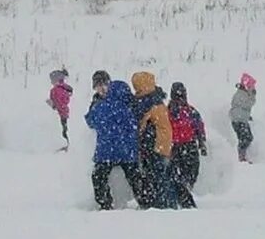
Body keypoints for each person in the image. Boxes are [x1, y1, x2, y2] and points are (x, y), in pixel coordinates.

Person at [84, 79, 147, 210]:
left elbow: (90, 121)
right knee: (135, 177)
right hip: (127, 152)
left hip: (106, 152)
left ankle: (105, 202)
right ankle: (144, 200)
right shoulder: (131, 109)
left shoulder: (101, 107)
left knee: (98, 177)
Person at [131, 72, 185, 208]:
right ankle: (166, 202)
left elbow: (144, 121)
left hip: (157, 144)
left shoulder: (150, 103)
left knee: (158, 176)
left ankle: (166, 203)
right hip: (162, 144)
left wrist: (139, 130)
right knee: (161, 174)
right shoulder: (155, 99)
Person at [168, 82, 207, 191]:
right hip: (186, 145)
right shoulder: (190, 111)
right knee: (190, 169)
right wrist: (202, 143)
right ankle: (186, 188)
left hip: (175, 145)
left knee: (179, 170)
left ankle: (183, 189)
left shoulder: (168, 111)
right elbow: (199, 127)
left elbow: (199, 127)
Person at [230, 73, 257, 163]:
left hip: (240, 119)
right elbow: (249, 104)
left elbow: (242, 107)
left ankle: (243, 155)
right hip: (238, 120)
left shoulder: (241, 94)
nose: (253, 89)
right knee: (246, 138)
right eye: (251, 87)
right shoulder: (241, 94)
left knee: (246, 138)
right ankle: (241, 157)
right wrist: (252, 95)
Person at [47, 68, 73, 149]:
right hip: (65, 113)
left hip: (61, 113)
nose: (51, 81)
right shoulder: (65, 88)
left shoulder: (56, 90)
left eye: (52, 79)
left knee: (63, 130)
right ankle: (67, 143)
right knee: (65, 129)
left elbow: (59, 103)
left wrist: (52, 105)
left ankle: (65, 145)